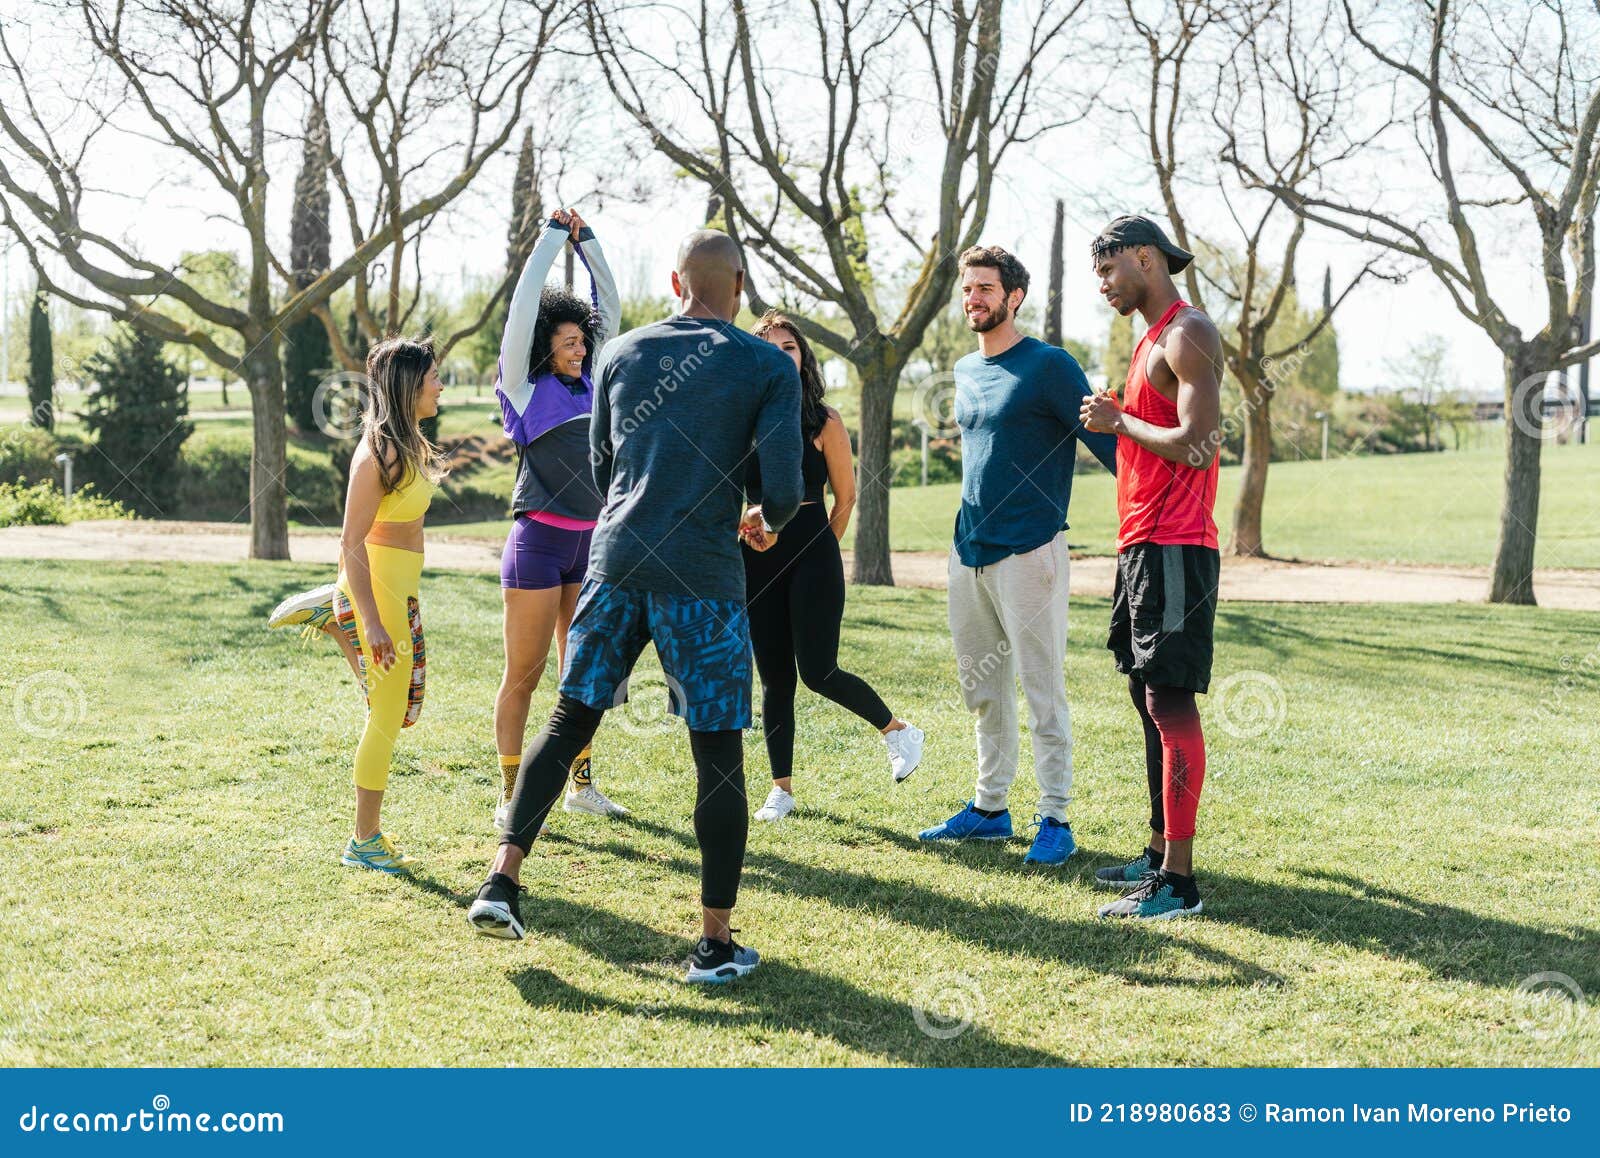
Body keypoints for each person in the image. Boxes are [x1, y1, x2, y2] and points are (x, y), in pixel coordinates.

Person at [467, 230, 803, 985]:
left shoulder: (618, 355)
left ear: (677, 283)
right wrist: (761, 515)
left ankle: (502, 879)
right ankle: (714, 947)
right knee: (716, 754)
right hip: (704, 576)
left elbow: (601, 463)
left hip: (615, 562)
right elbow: (782, 491)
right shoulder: (764, 365)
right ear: (739, 287)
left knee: (568, 719)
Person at [918, 245, 1116, 865]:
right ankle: (989, 809)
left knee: (1041, 687)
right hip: (967, 550)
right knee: (983, 687)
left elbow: (1110, 448)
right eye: (968, 289)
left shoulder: (1051, 367)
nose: (972, 298)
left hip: (1032, 551)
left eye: (984, 288)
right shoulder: (965, 370)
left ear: (1014, 297)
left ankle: (1055, 817)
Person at [1081, 214, 1223, 920]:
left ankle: (1180, 883)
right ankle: (1160, 848)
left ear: (1146, 256)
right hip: (1140, 543)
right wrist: (1113, 424)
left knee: (1170, 700)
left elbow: (1196, 446)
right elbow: (1147, 446)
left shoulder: (1187, 332)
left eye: (1108, 270)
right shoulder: (1147, 342)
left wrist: (1119, 421)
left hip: (1177, 543)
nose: (1103, 285)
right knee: (1146, 693)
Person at [267, 337, 446, 874]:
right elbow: (350, 543)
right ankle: (363, 841)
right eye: (434, 376)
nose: (440, 385)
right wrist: (369, 619)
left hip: (400, 588)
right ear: (408, 385)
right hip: (380, 590)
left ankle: (333, 622)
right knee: (388, 716)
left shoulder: (409, 443)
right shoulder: (377, 454)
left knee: (403, 705)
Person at [740, 310, 924, 824]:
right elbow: (732, 492)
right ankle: (782, 789)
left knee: (817, 670)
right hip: (756, 558)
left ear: (803, 358)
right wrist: (748, 522)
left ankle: (898, 731)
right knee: (774, 679)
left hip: (812, 553)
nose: (781, 356)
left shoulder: (825, 421)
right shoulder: (742, 419)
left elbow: (845, 499)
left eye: (790, 347)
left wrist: (818, 549)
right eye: (770, 348)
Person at [491, 206, 628, 833]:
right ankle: (511, 792)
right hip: (539, 543)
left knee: (583, 675)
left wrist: (589, 242)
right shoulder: (523, 386)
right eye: (569, 341)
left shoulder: (594, 381)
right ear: (546, 345)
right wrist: (551, 239)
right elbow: (523, 307)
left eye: (583, 341)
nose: (579, 349)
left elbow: (613, 306)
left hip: (589, 548)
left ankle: (580, 785)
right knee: (525, 674)